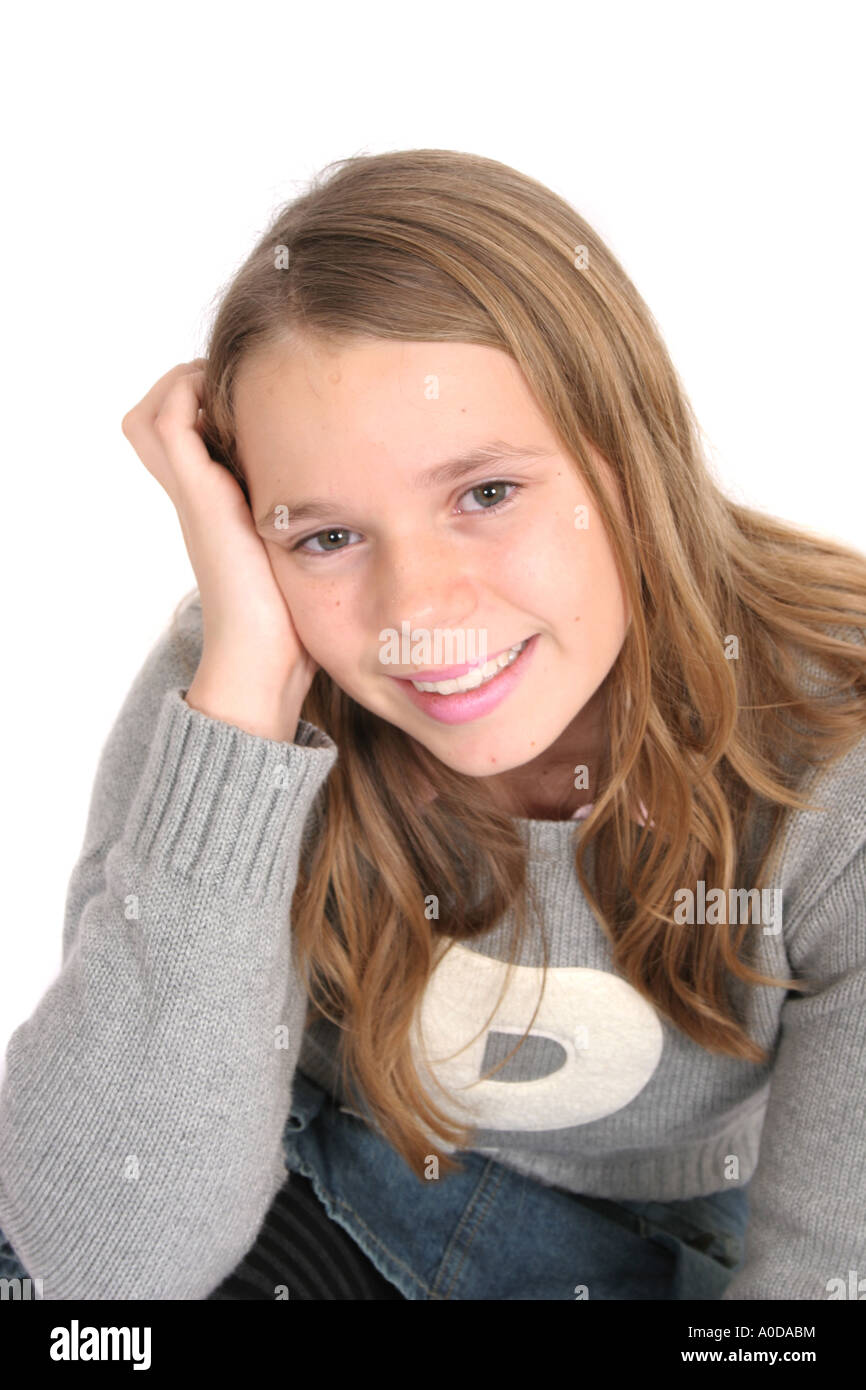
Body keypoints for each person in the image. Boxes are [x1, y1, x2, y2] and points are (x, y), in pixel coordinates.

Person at [1, 148, 864, 1301]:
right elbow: (108, 1273)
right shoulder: (237, 685)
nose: (416, 618)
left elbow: (823, 1280)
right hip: (283, 1185)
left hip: (628, 1255)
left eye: (485, 494)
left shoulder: (832, 746)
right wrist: (248, 693)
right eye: (324, 537)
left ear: (627, 451)